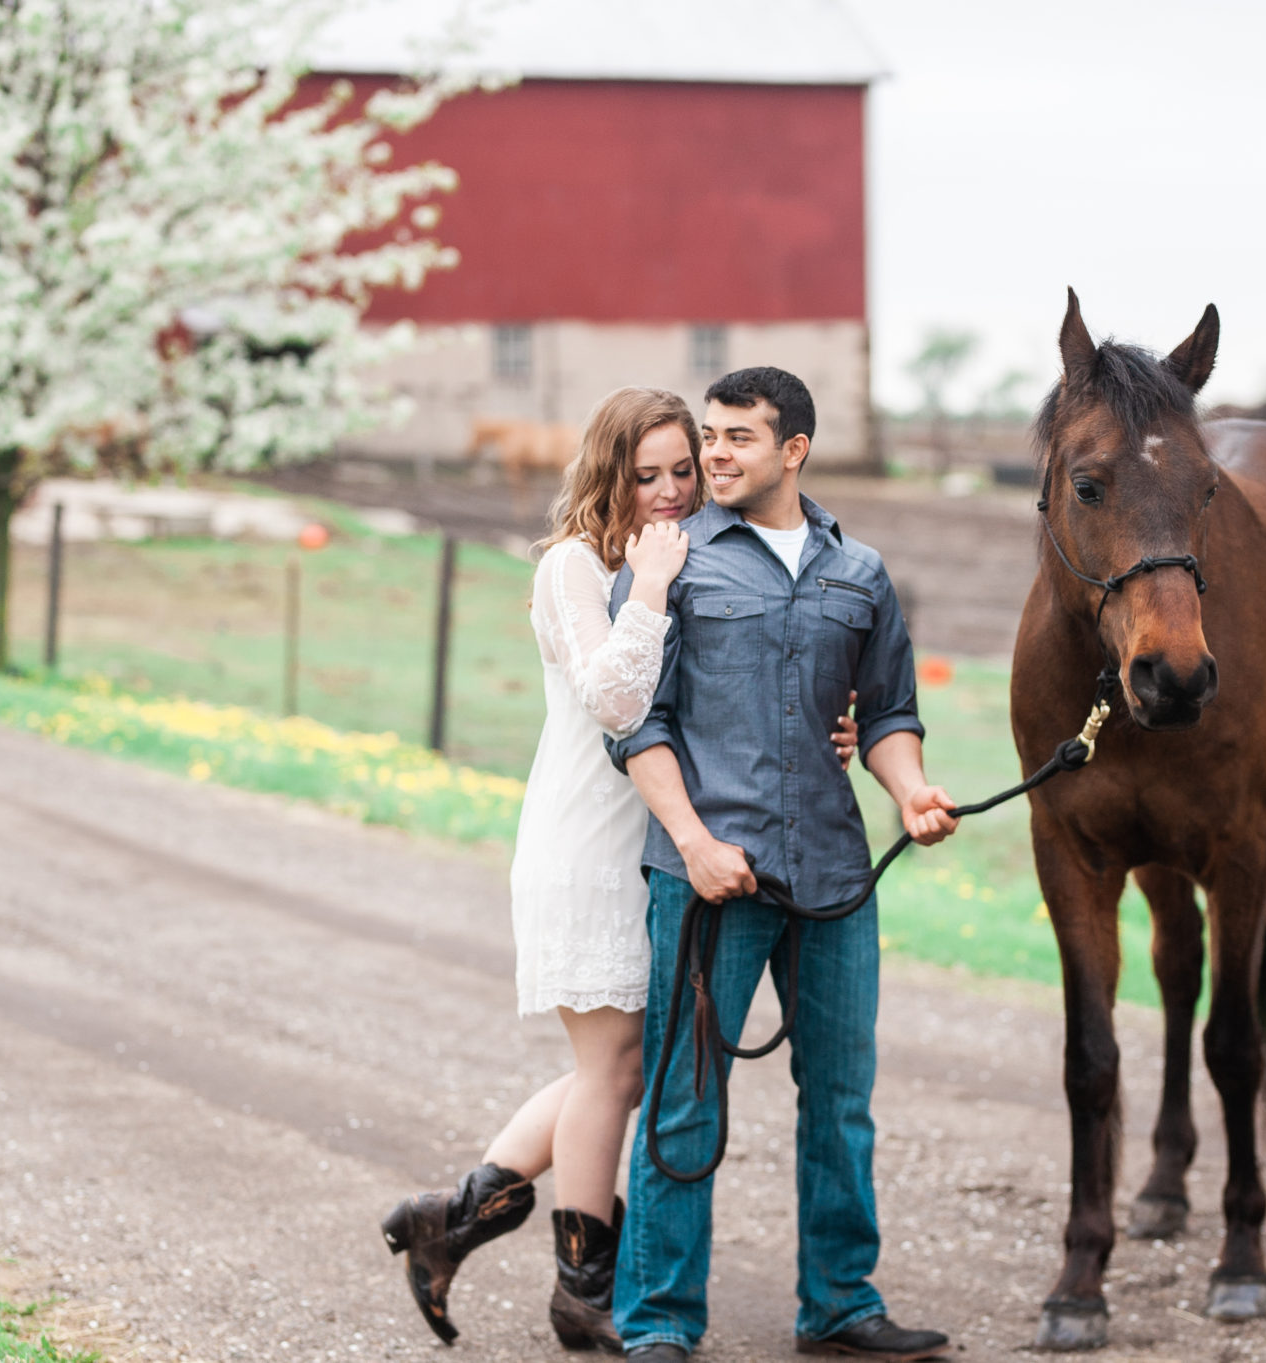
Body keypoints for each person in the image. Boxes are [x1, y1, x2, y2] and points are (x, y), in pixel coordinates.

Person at [381, 386, 861, 1351]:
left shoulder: (693, 553)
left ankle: (455, 1215)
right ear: (610, 473)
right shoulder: (573, 565)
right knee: (619, 1068)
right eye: (646, 475)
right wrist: (645, 586)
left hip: (663, 848)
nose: (671, 490)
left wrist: (817, 733)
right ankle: (582, 1288)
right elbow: (615, 700)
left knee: (633, 1068)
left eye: (683, 470)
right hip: (590, 846)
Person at [606, 367, 961, 1363]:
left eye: (738, 438)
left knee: (841, 1102)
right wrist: (693, 843)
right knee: (684, 1098)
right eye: (709, 435)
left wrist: (909, 791)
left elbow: (887, 712)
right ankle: (659, 1320)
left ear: (794, 449)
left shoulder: (860, 572)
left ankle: (840, 1303)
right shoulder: (669, 563)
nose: (712, 454)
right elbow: (636, 723)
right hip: (708, 880)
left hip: (835, 879)